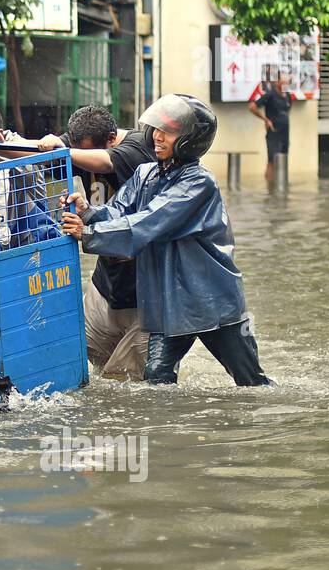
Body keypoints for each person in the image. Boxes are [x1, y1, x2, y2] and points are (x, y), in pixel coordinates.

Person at [61, 94, 271, 387]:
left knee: (252, 383)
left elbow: (147, 223)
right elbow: (120, 211)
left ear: (190, 140)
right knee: (156, 384)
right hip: (167, 304)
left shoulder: (198, 183)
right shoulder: (145, 173)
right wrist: (90, 212)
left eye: (168, 132)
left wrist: (87, 234)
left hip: (212, 302)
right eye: (156, 129)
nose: (157, 136)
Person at [40, 105, 153, 379]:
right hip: (107, 285)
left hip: (149, 296)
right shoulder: (78, 144)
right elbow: (37, 154)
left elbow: (106, 163)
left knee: (129, 389)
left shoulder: (140, 149)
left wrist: (64, 152)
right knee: (86, 364)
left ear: (112, 138)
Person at [249, 66, 293, 182]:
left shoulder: (287, 95)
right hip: (273, 133)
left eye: (287, 82)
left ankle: (281, 184)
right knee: (272, 160)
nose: (285, 84)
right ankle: (270, 189)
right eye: (283, 81)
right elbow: (252, 107)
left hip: (285, 132)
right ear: (277, 82)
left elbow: (287, 110)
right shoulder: (270, 94)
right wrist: (266, 120)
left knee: (283, 158)